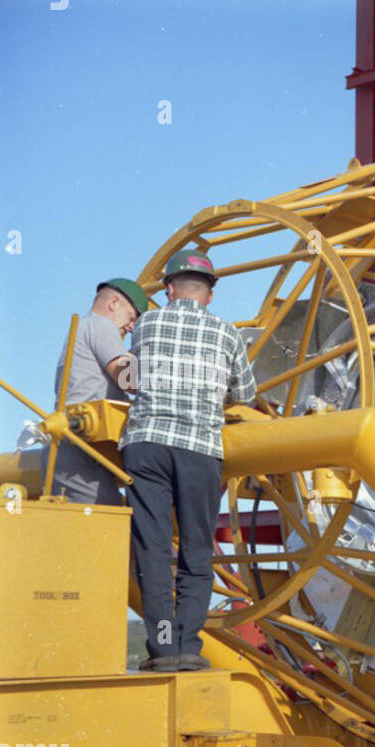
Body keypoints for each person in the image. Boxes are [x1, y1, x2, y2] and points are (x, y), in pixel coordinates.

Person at [120, 249, 256, 672]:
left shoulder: (146, 323)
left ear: (168, 289)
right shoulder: (227, 333)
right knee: (197, 553)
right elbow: (246, 394)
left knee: (154, 551)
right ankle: (187, 648)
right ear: (210, 296)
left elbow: (132, 378)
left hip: (147, 444)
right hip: (199, 448)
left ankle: (161, 649)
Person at [48, 278, 150, 505]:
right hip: (85, 446)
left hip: (71, 443)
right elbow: (129, 380)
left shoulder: (82, 328)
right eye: (131, 317)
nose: (132, 327)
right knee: (104, 519)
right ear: (113, 303)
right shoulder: (102, 326)